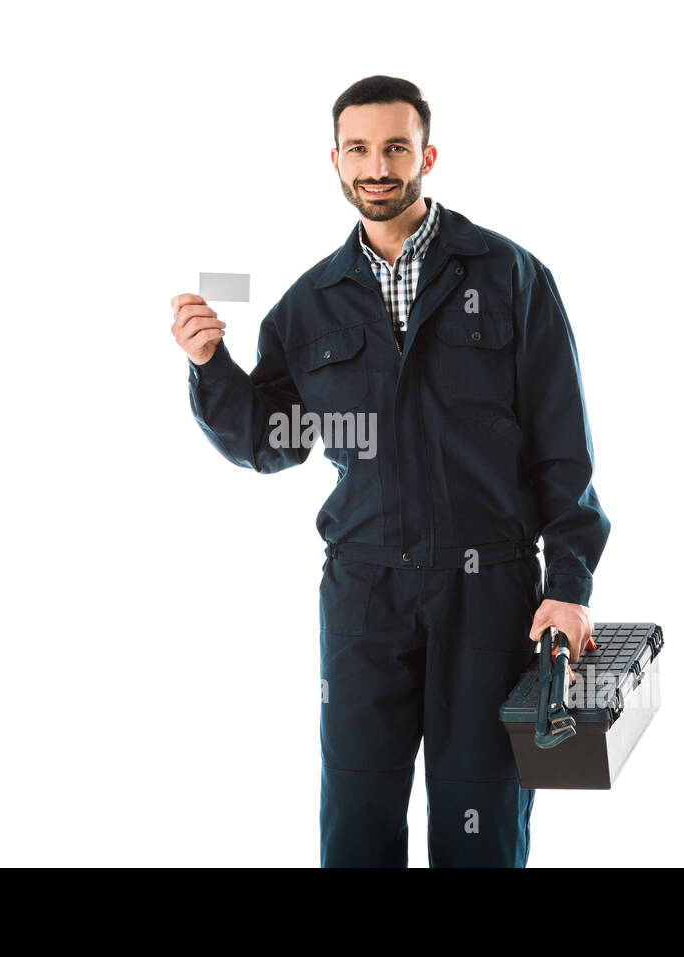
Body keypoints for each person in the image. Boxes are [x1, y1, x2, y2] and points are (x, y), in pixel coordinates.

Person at [170, 75, 610, 867]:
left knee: (482, 812)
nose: (378, 166)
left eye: (396, 147)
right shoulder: (310, 304)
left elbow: (564, 452)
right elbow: (273, 439)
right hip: (365, 595)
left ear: (428, 155)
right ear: (334, 161)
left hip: (491, 589)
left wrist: (569, 586)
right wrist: (211, 365)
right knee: (357, 812)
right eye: (360, 149)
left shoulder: (512, 278)